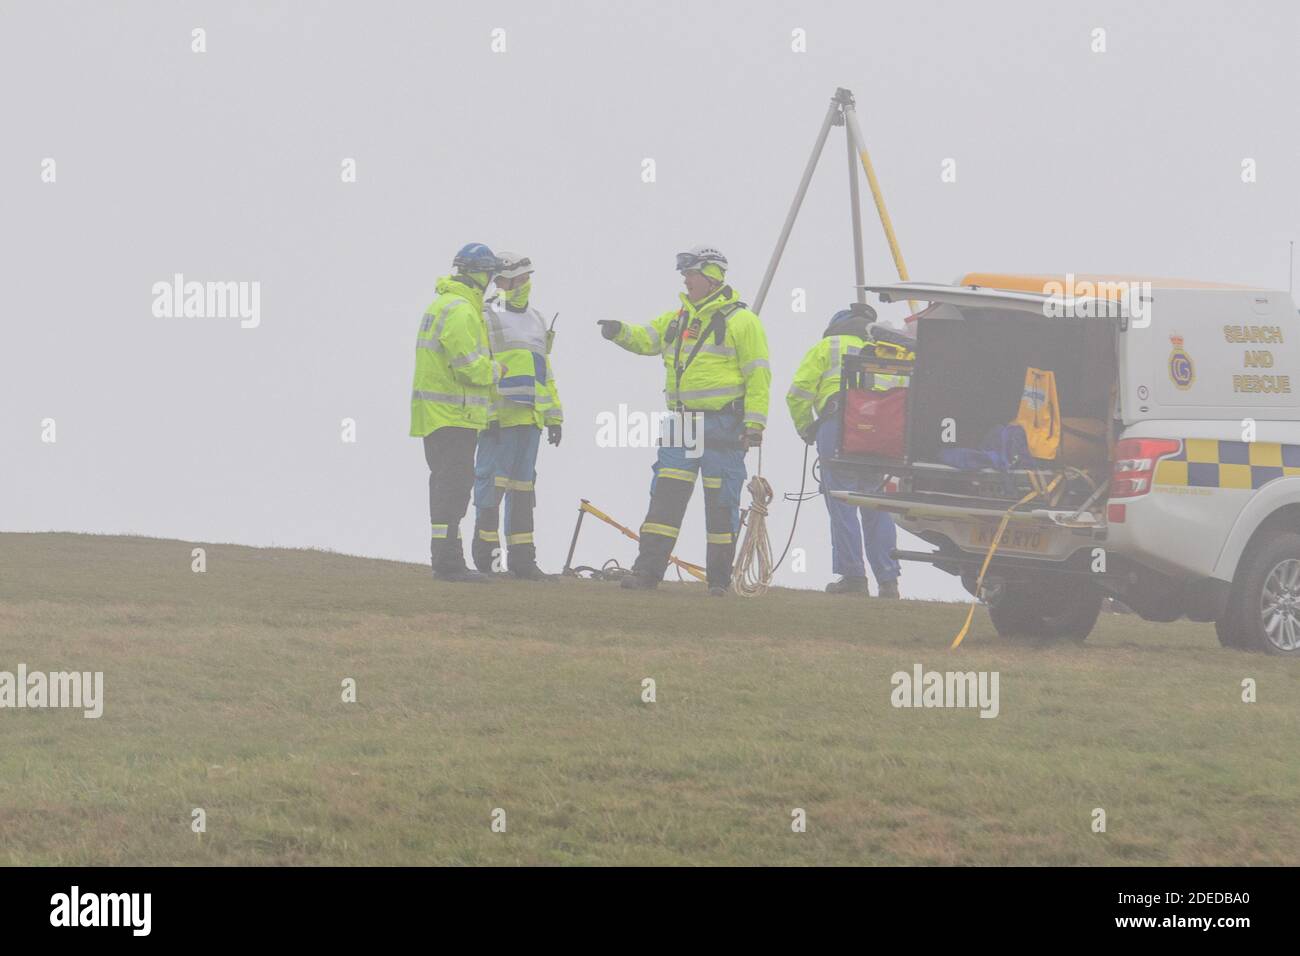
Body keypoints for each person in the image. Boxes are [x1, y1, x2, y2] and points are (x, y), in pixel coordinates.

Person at [597, 245, 771, 595]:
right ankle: (647, 573)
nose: (685, 279)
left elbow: (758, 376)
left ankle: (719, 581)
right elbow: (646, 338)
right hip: (682, 425)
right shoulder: (679, 318)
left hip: (724, 426)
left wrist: (754, 425)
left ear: (712, 276)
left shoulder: (744, 321)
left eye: (690, 273)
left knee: (721, 505)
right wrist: (618, 331)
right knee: (665, 500)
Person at [786, 304, 903, 598]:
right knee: (878, 507)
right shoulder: (888, 349)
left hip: (838, 428)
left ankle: (853, 577)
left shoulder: (828, 346)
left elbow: (798, 392)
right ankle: (888, 581)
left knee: (842, 503)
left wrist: (806, 428)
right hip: (881, 435)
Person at [410, 242, 503, 583]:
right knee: (454, 488)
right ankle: (449, 564)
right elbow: (468, 367)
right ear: (481, 275)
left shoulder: (442, 304)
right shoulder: (462, 311)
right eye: (490, 275)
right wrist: (496, 370)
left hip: (438, 415)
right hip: (453, 415)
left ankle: (446, 558)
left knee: (446, 486)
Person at [471, 251, 564, 580]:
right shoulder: (487, 314)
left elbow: (545, 373)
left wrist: (554, 417)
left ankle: (523, 561)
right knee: (490, 488)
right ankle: (488, 561)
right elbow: (478, 366)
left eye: (509, 278)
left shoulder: (537, 319)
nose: (502, 284)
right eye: (501, 279)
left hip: (531, 420)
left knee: (523, 489)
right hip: (499, 419)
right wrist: (487, 414)